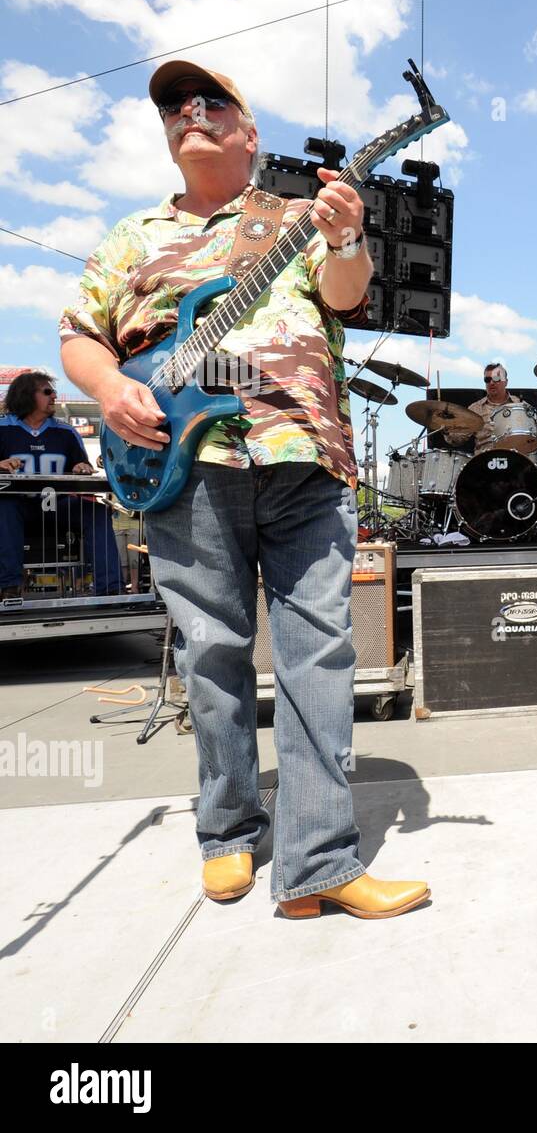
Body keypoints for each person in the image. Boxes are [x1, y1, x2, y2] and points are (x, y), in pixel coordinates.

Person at [59, 59, 427, 920]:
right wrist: (113, 392)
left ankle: (318, 864)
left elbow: (347, 293)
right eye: (177, 106)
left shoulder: (296, 217)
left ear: (250, 131)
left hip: (305, 455)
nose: (194, 112)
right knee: (214, 656)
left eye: (213, 100)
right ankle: (227, 832)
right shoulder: (133, 236)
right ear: (166, 136)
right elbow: (81, 338)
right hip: (188, 464)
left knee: (321, 655)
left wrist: (345, 237)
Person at [0, 371, 121, 600]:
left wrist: (81, 469)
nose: (54, 395)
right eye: (47, 391)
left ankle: (109, 588)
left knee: (95, 511)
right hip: (18, 508)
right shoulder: (3, 428)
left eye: (53, 391)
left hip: (58, 506)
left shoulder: (66, 432)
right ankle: (9, 586)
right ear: (27, 395)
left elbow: (83, 467)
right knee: (5, 507)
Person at [446, 362, 523, 455]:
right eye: (487, 379)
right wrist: (445, 427)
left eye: (496, 378)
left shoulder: (520, 405)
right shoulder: (475, 408)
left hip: (516, 459)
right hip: (483, 461)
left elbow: (533, 434)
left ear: (506, 382)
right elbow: (458, 440)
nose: (491, 383)